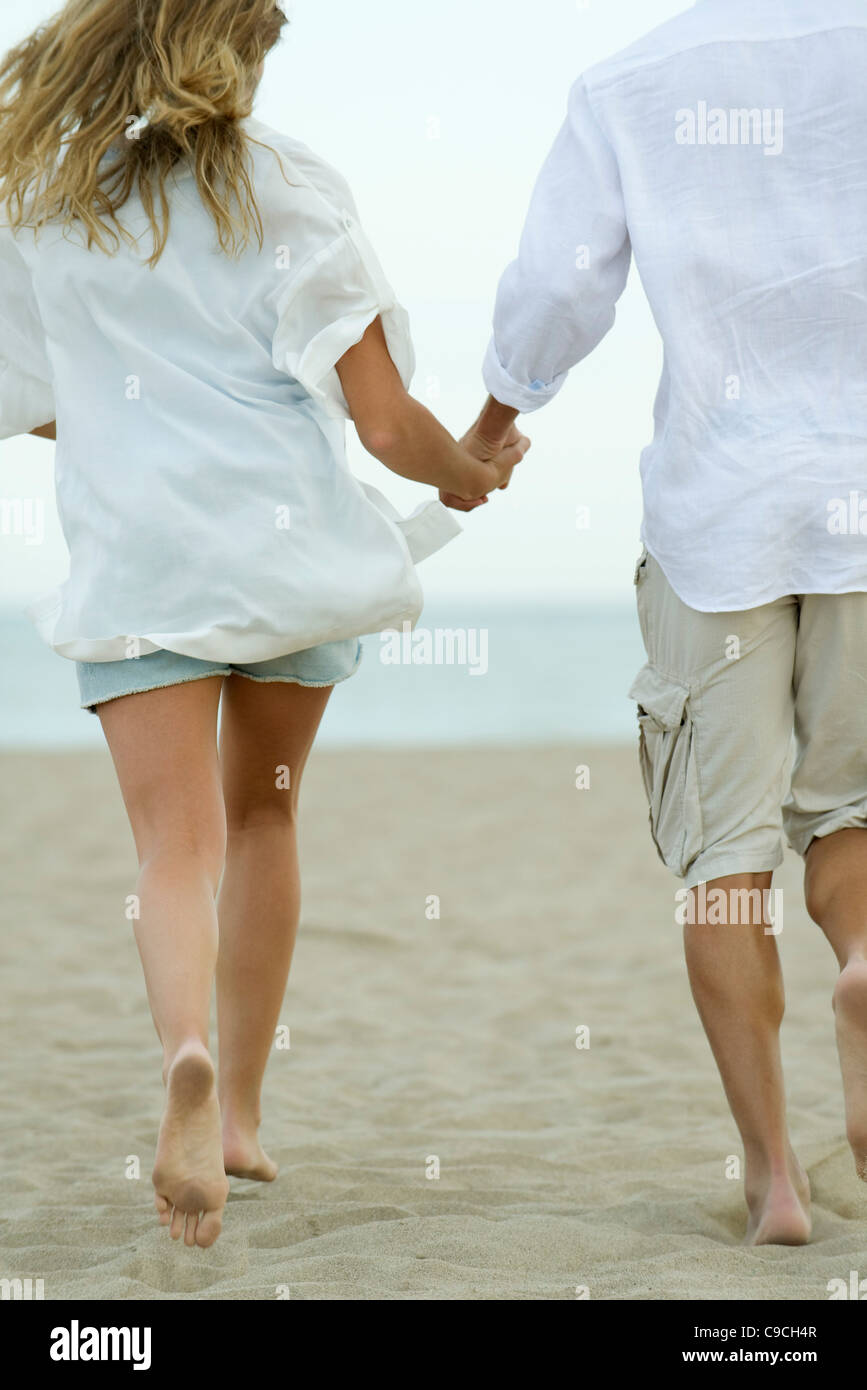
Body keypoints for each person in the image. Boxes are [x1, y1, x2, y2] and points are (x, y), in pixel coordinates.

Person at [0, 0, 528, 1249]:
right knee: (267, 812)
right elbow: (389, 422)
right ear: (239, 52)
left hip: (147, 565)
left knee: (173, 848)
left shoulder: (56, 198)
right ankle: (235, 1110)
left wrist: (144, 436)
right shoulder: (292, 185)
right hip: (290, 563)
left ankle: (181, 1050)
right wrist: (470, 473)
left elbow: (36, 400)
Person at [461, 0, 867, 1245]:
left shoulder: (635, 80)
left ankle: (776, 1180)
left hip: (719, 522)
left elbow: (556, 283)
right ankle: (857, 957)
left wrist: (490, 424)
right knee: (852, 818)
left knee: (725, 862)